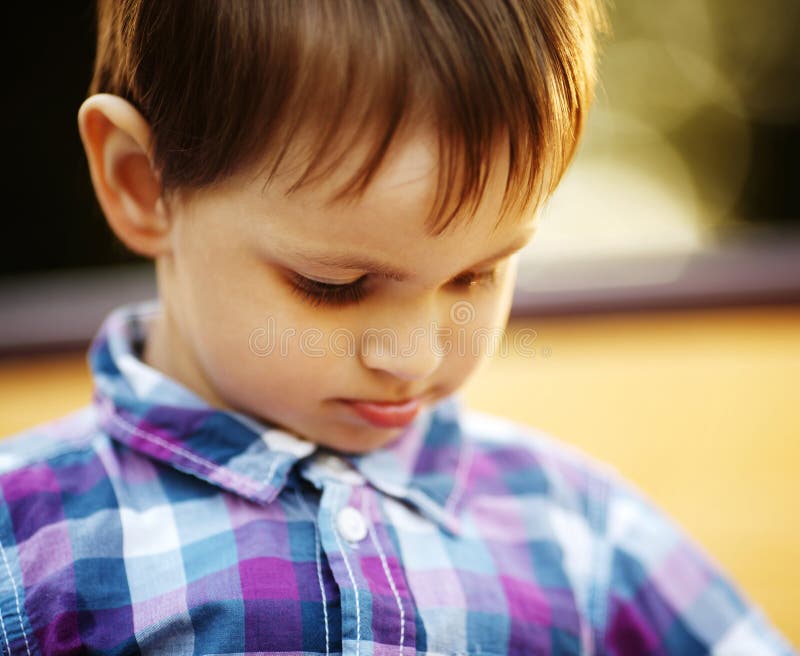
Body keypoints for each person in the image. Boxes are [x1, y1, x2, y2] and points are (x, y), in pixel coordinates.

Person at [0, 1, 795, 654]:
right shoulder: (26, 544)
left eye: (475, 275)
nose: (414, 357)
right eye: (335, 286)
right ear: (144, 183)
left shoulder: (579, 530)